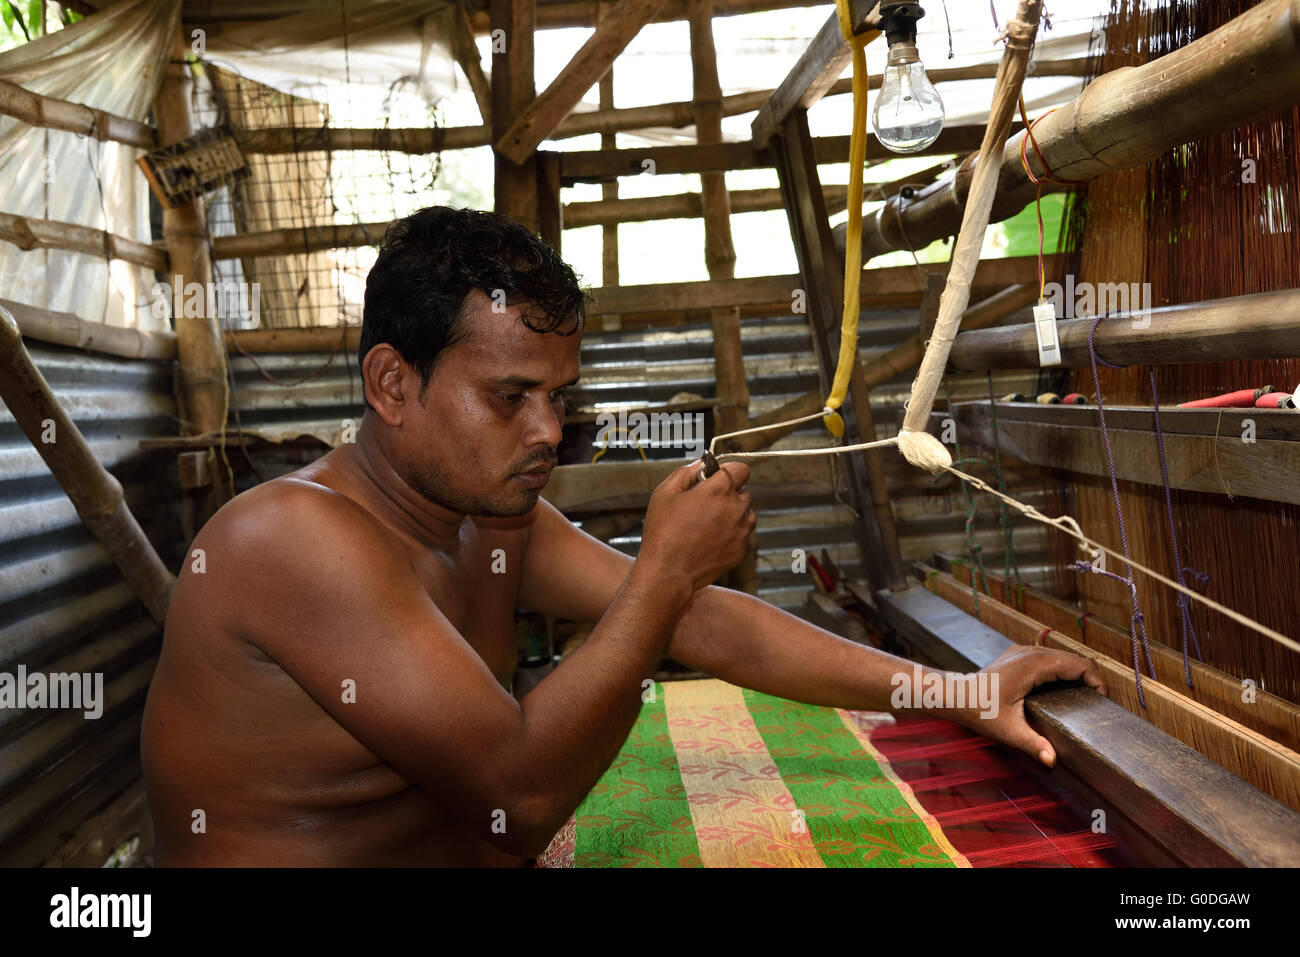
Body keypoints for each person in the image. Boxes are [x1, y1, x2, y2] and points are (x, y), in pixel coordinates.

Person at [141, 206, 1105, 866]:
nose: (547, 432)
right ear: (393, 385)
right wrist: (666, 569)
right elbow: (515, 802)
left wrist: (957, 690)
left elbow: (705, 623)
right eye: (509, 397)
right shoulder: (290, 541)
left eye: (559, 398)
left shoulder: (488, 521)